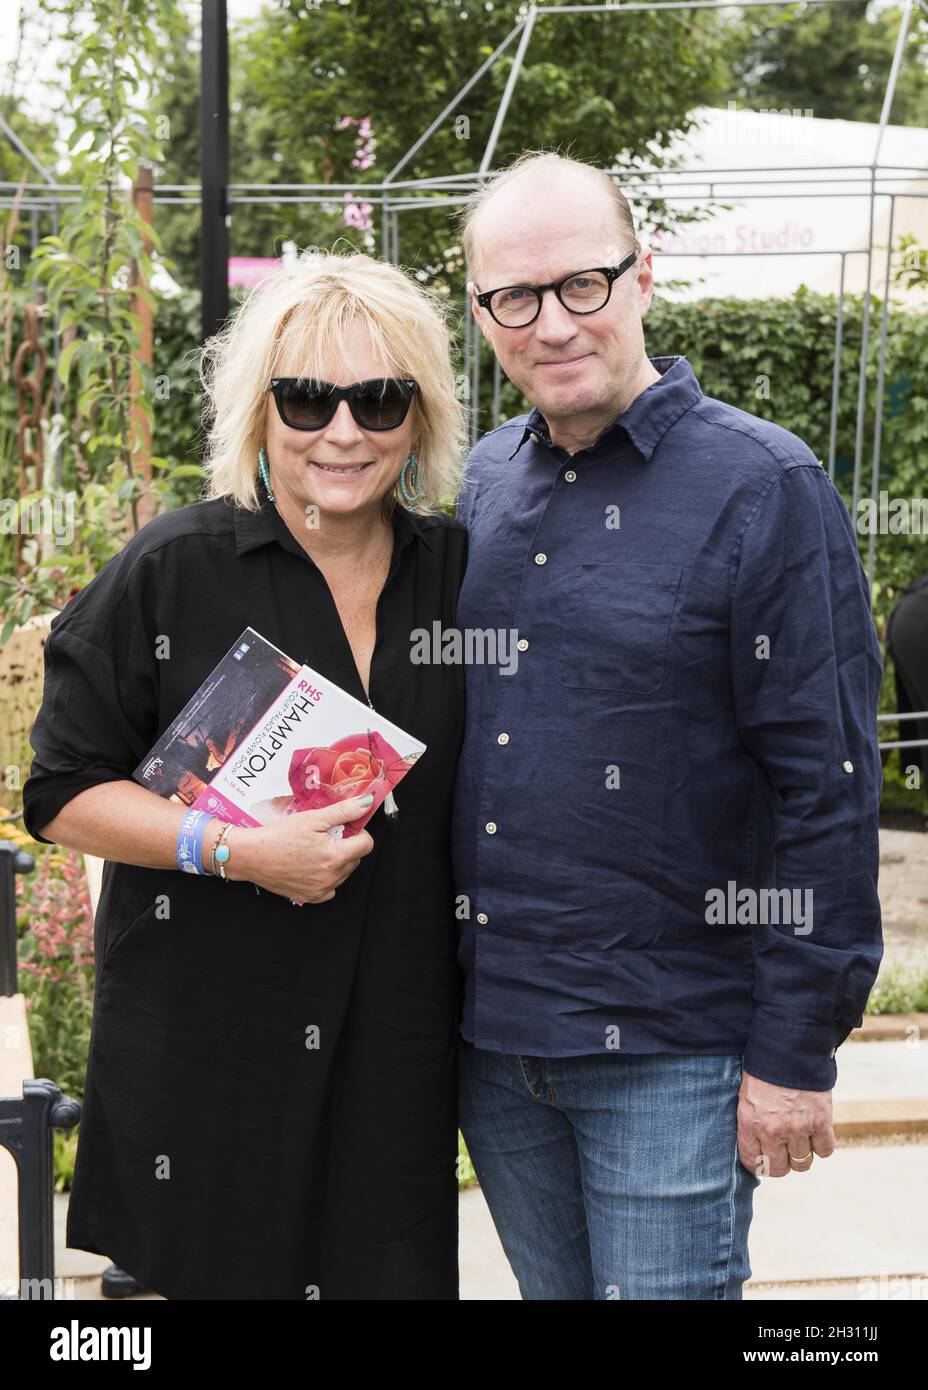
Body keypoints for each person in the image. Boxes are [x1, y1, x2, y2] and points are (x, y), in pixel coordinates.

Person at [452, 151, 884, 1300]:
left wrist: (794, 1052)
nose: (550, 323)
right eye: (513, 297)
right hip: (496, 1046)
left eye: (581, 284)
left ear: (644, 274)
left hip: (672, 1050)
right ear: (483, 311)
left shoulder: (765, 488)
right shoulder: (485, 483)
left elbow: (828, 786)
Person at [22, 250, 467, 1300]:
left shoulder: (463, 574)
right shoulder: (173, 569)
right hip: (209, 1050)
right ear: (259, 410)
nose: (343, 432)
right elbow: (60, 791)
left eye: (379, 398)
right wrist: (232, 849)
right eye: (307, 399)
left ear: (421, 414)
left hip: (395, 1056)